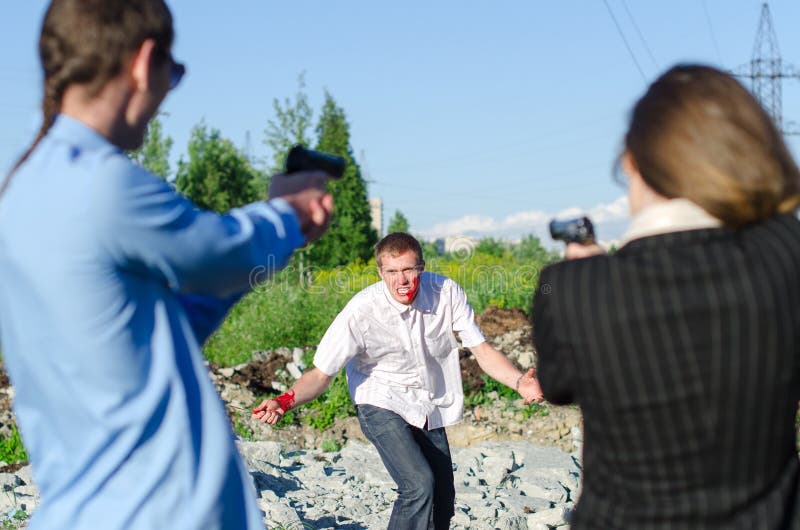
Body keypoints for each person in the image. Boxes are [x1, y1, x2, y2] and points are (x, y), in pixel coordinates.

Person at [0, 1, 333, 529]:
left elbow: (160, 333)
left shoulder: (22, 191)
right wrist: (288, 214)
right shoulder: (102, 184)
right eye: (172, 74)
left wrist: (273, 237)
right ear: (143, 61)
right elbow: (221, 252)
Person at [532, 64, 800, 529]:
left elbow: (557, 385)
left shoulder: (569, 289)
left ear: (631, 162)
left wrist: (591, 273)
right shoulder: (785, 252)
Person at [253, 232, 544, 529]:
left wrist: (519, 381)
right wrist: (283, 402)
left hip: (427, 403)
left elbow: (481, 350)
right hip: (379, 400)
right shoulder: (361, 311)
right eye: (392, 271)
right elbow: (320, 374)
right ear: (380, 272)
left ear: (421, 268)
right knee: (418, 484)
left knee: (442, 500)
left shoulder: (446, 293)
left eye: (408, 270)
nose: (401, 280)